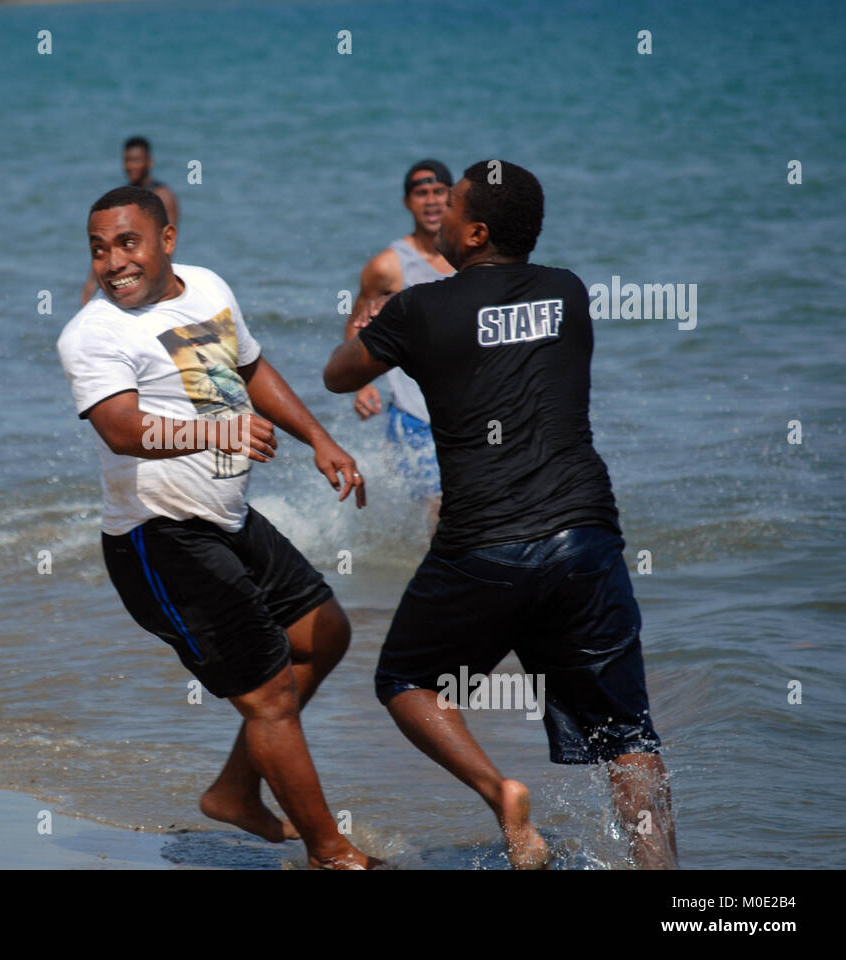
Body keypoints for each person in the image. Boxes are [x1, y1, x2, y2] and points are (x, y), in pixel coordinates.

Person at [324, 160, 677, 869]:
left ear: (477, 231)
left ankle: (500, 790)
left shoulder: (420, 310)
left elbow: (340, 375)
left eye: (451, 209)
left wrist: (367, 326)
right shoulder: (569, 293)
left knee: (404, 681)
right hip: (586, 539)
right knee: (630, 735)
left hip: (483, 545)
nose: (439, 220)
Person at [58, 186, 381, 869]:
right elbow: (120, 431)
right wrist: (221, 428)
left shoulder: (207, 287)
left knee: (324, 634)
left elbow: (251, 367)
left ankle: (235, 791)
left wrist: (319, 439)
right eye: (99, 248)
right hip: (158, 539)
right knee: (268, 699)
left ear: (166, 240)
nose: (113, 262)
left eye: (127, 243)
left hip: (227, 520)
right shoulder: (92, 333)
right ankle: (331, 854)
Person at [344, 159, 455, 526]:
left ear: (452, 199)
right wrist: (360, 383)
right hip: (412, 412)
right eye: (421, 194)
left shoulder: (469, 259)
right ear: (408, 202)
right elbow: (357, 326)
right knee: (437, 504)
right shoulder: (387, 266)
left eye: (439, 192)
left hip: (463, 408)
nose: (432, 201)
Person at [79, 137, 181, 305]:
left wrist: (160, 290)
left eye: (136, 160)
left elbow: (163, 247)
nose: (131, 166)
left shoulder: (163, 196)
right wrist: (90, 283)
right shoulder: (120, 198)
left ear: (150, 162)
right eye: (127, 161)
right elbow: (106, 245)